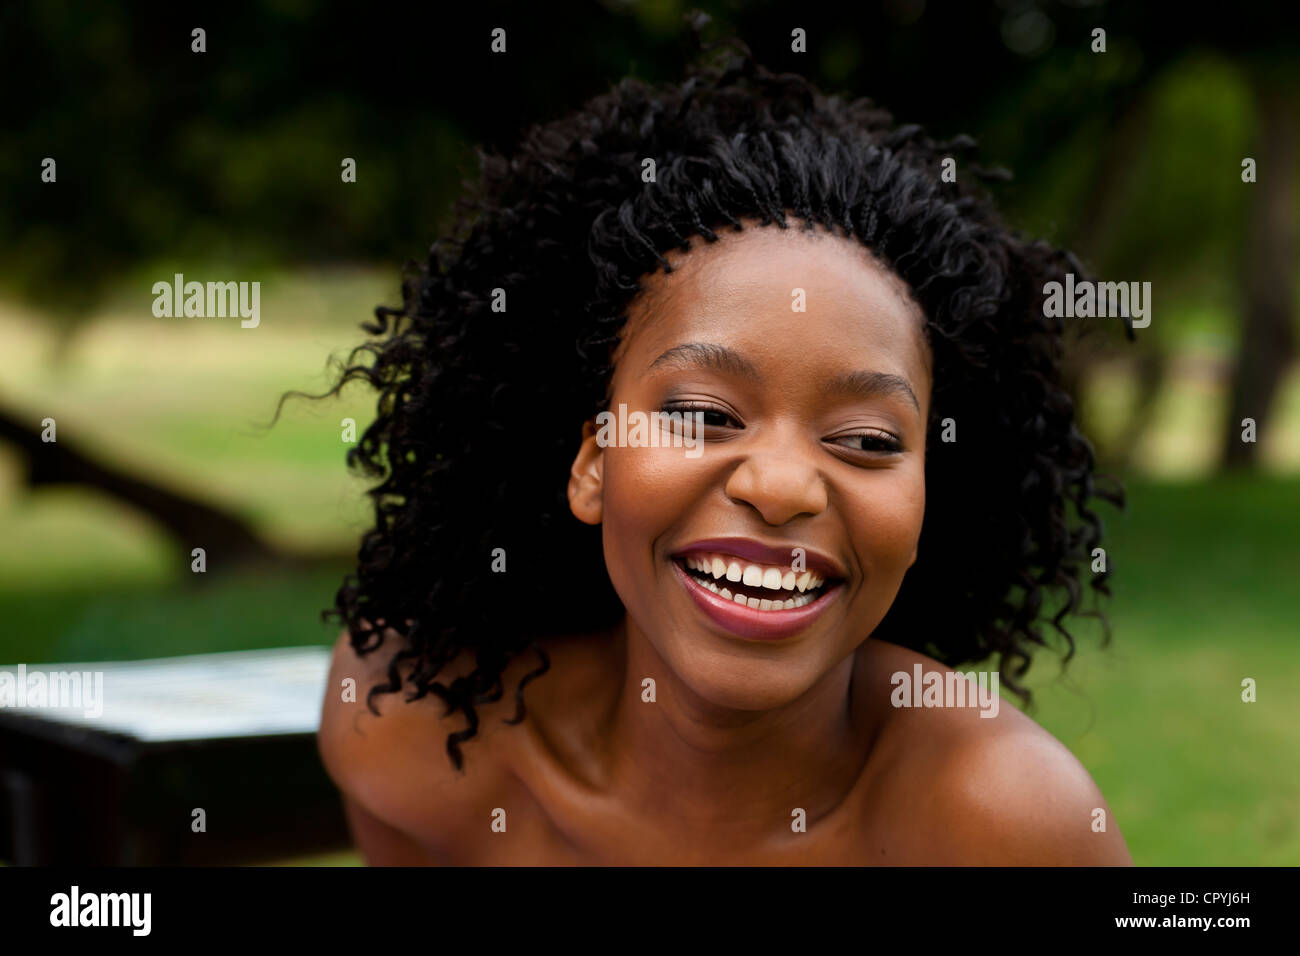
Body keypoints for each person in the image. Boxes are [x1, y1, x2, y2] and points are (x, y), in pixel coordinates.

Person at [314, 29, 1133, 865]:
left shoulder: (1004, 825)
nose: (781, 486)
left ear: (927, 497)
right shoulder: (411, 731)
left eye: (866, 439)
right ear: (594, 462)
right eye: (706, 414)